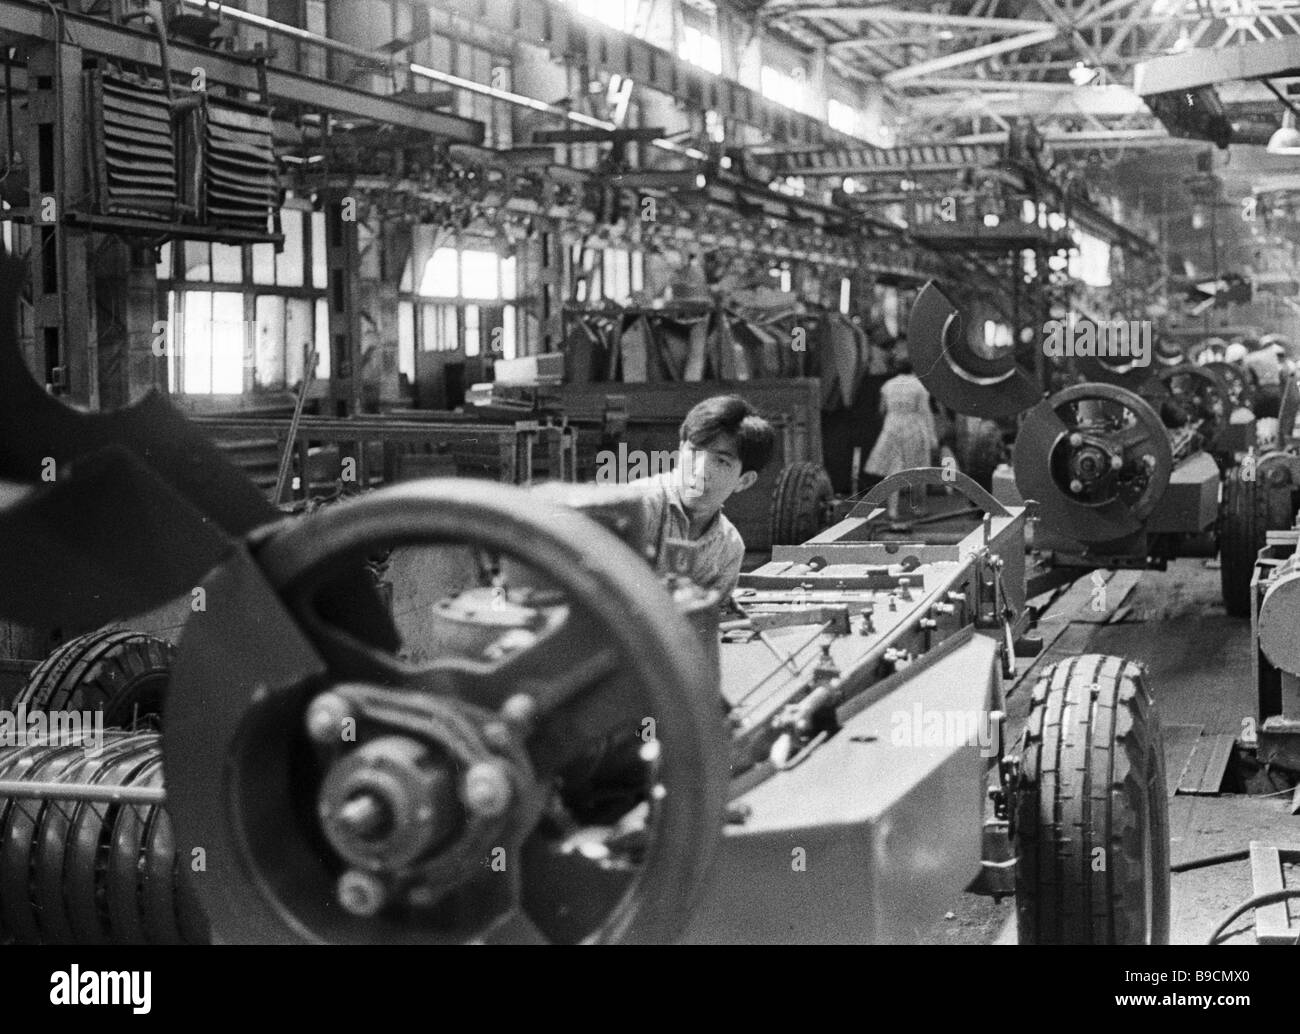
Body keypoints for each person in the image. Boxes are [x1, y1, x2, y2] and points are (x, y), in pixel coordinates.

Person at [630, 394, 775, 597]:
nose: (699, 472)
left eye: (721, 461)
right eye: (694, 451)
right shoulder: (636, 508)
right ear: (680, 450)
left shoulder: (728, 549)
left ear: (744, 480)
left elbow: (710, 622)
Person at [863, 355, 939, 519]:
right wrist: (932, 437)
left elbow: (881, 410)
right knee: (918, 469)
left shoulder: (887, 385)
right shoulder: (919, 386)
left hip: (892, 425)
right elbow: (925, 412)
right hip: (913, 426)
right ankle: (918, 508)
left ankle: (892, 510)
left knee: (893, 470)